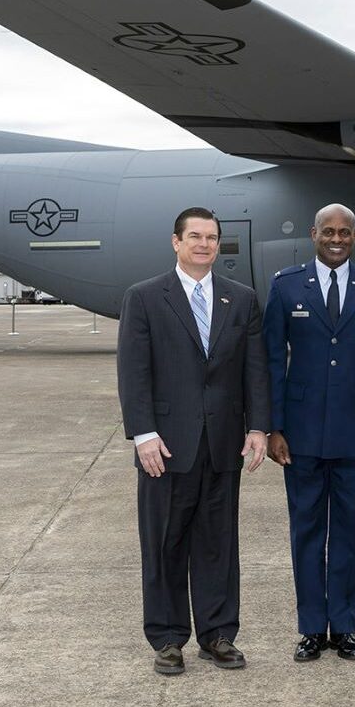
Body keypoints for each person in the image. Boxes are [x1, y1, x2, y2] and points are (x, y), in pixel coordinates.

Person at [117, 207, 270, 676]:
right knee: (164, 543)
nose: (204, 244)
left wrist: (258, 427)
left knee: (218, 544)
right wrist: (143, 434)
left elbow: (255, 370)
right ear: (176, 242)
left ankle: (218, 634)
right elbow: (134, 371)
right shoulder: (145, 297)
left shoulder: (239, 299)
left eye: (212, 238)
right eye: (195, 237)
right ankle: (167, 638)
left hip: (223, 443)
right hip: (165, 445)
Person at [262, 203, 355, 662]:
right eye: (328, 232)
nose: (336, 239)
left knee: (348, 532)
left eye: (344, 232)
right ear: (313, 234)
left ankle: (343, 627)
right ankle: (309, 629)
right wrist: (274, 427)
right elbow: (271, 362)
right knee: (305, 531)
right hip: (298, 436)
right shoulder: (286, 286)